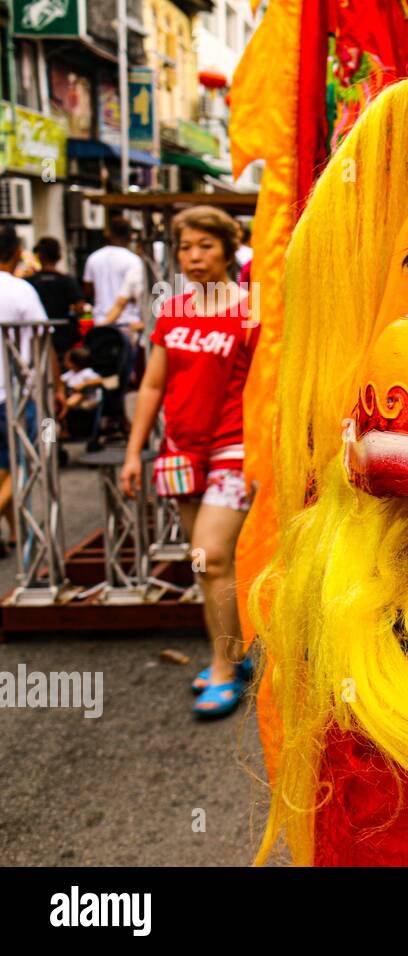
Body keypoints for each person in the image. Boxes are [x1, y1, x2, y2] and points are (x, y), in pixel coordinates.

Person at [119, 206, 260, 718]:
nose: (194, 256)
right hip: (180, 451)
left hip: (233, 449)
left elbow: (269, 387)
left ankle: (223, 669)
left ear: (227, 248)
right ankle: (232, 653)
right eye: (185, 247)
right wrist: (135, 453)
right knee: (204, 567)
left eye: (205, 245)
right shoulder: (172, 310)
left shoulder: (253, 310)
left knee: (211, 555)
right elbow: (153, 384)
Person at [0, 226, 64, 548]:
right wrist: (56, 388)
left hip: (10, 394)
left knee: (4, 469)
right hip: (13, 394)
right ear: (16, 252)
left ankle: (16, 534)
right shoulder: (20, 290)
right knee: (23, 462)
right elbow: (42, 341)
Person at [83, 217, 143, 443]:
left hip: (102, 327)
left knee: (106, 378)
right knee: (124, 379)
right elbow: (126, 300)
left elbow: (88, 288)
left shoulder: (93, 258)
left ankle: (110, 423)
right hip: (126, 327)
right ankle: (119, 422)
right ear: (129, 235)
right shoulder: (133, 261)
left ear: (108, 233)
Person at [27, 237, 87, 359]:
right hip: (63, 336)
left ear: (39, 256)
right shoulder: (67, 281)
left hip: (37, 336)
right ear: (59, 256)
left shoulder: (29, 282)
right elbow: (80, 307)